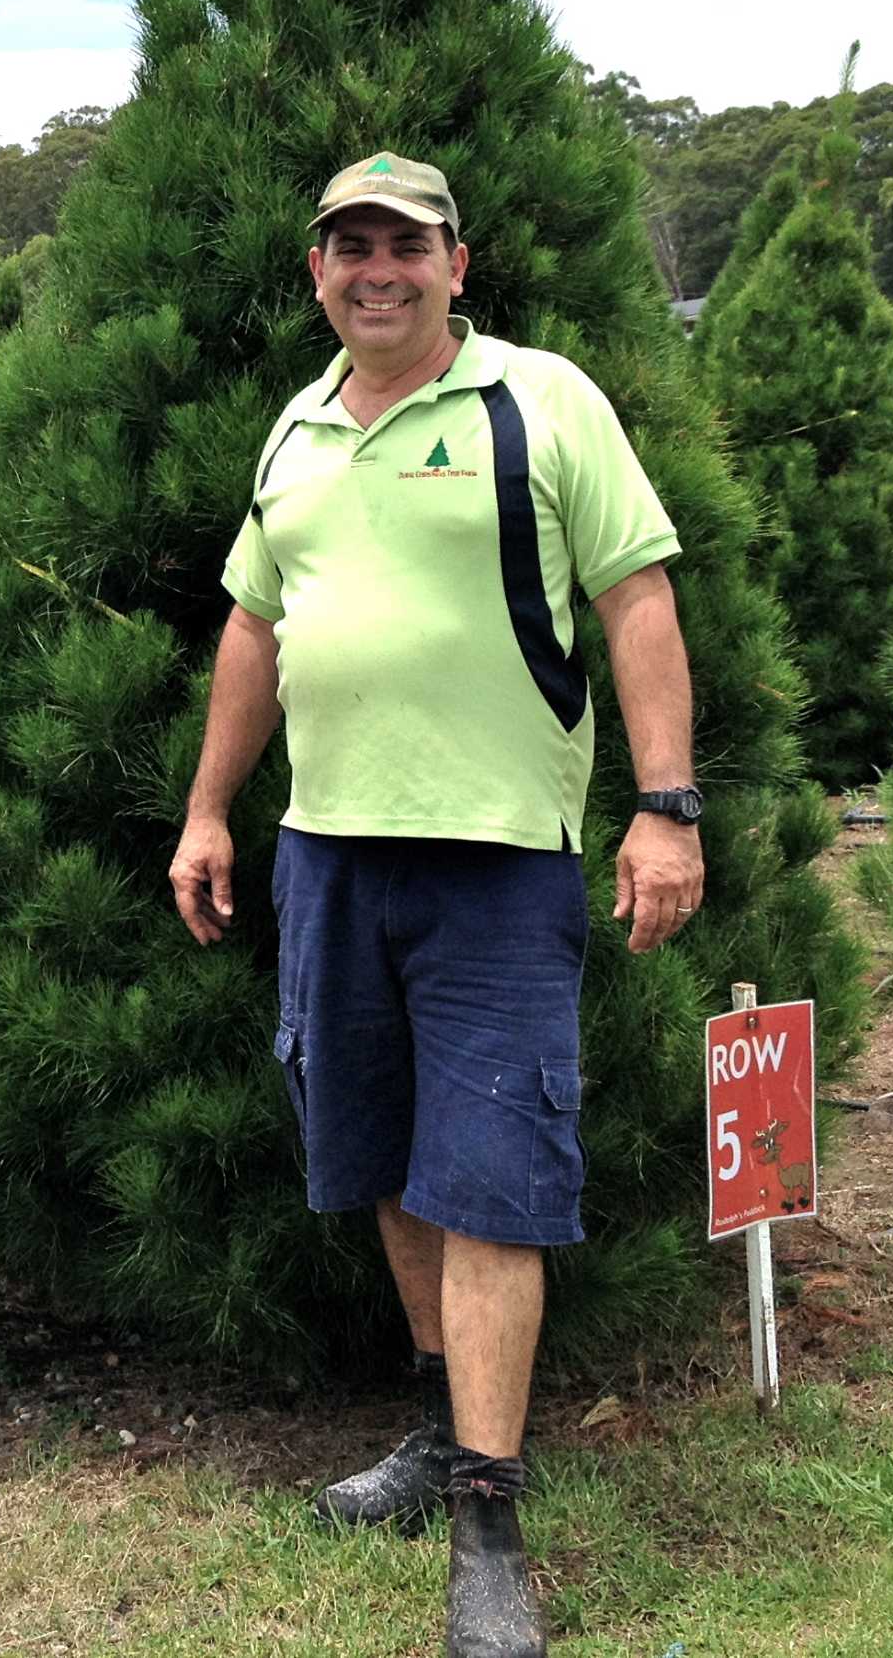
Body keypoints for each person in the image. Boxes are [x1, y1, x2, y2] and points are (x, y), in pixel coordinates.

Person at [168, 152, 705, 1658]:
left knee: (489, 1171)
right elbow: (255, 626)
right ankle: (430, 1426)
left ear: (456, 264)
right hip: (329, 854)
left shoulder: (540, 401)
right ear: (319, 270)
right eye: (349, 245)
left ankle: (489, 1524)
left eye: (406, 243)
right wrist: (213, 809)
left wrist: (665, 809)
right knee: (391, 1154)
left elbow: (638, 599)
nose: (377, 268)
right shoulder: (292, 428)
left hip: (493, 861)